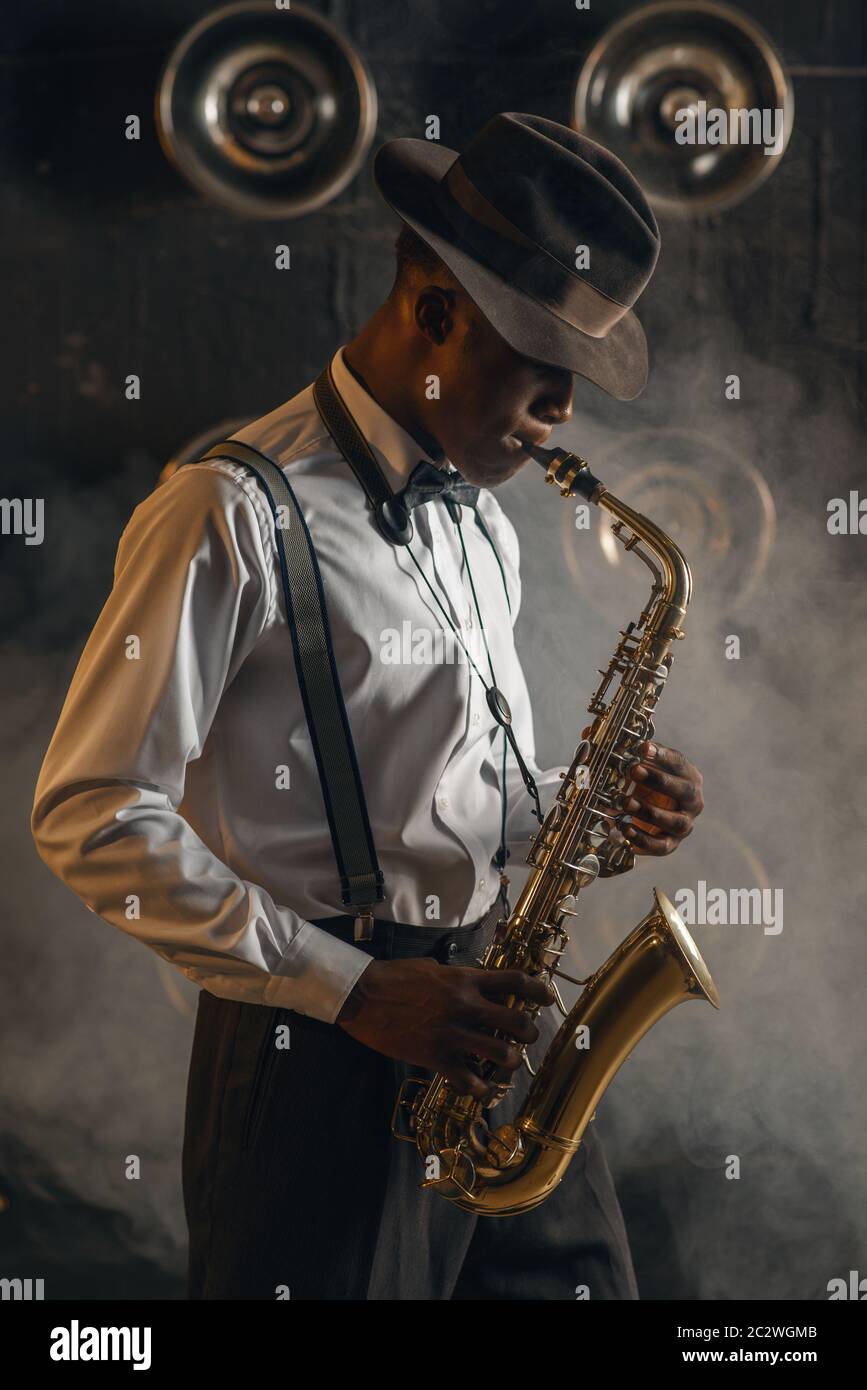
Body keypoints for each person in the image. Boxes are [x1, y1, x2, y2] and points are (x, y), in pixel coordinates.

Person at [31, 112, 704, 1300]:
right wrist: (351, 990)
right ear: (437, 310)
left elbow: (451, 808)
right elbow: (88, 814)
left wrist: (589, 809)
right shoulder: (228, 510)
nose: (563, 406)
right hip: (317, 1061)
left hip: (496, 1017)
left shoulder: (486, 522)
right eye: (542, 361)